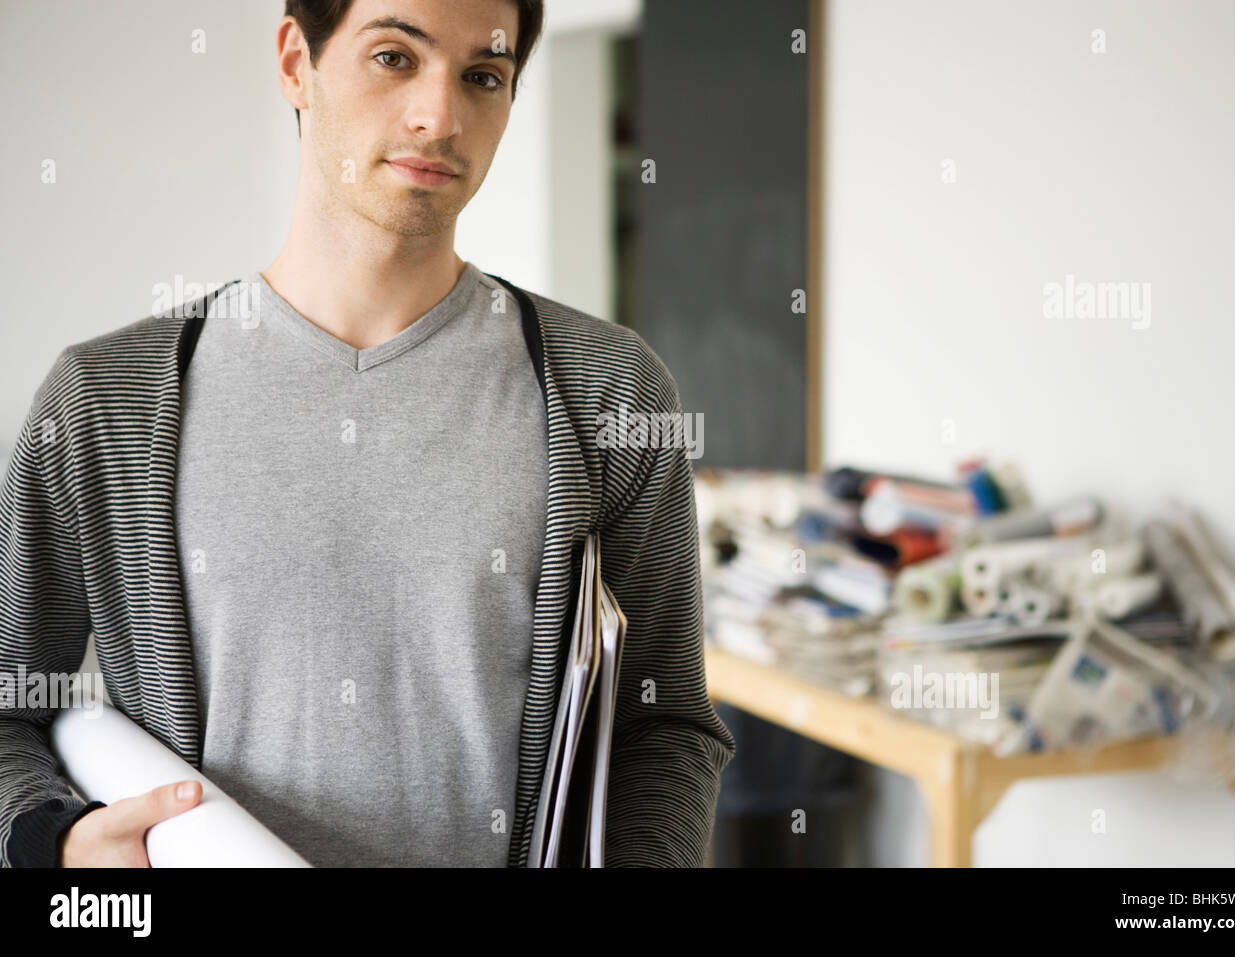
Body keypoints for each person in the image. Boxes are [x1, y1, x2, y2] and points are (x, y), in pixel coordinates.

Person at [0, 0, 734, 868]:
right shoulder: (102, 401)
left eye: (483, 76)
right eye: (394, 57)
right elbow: (12, 708)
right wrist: (60, 845)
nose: (440, 115)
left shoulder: (610, 390)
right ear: (293, 61)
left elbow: (665, 723)